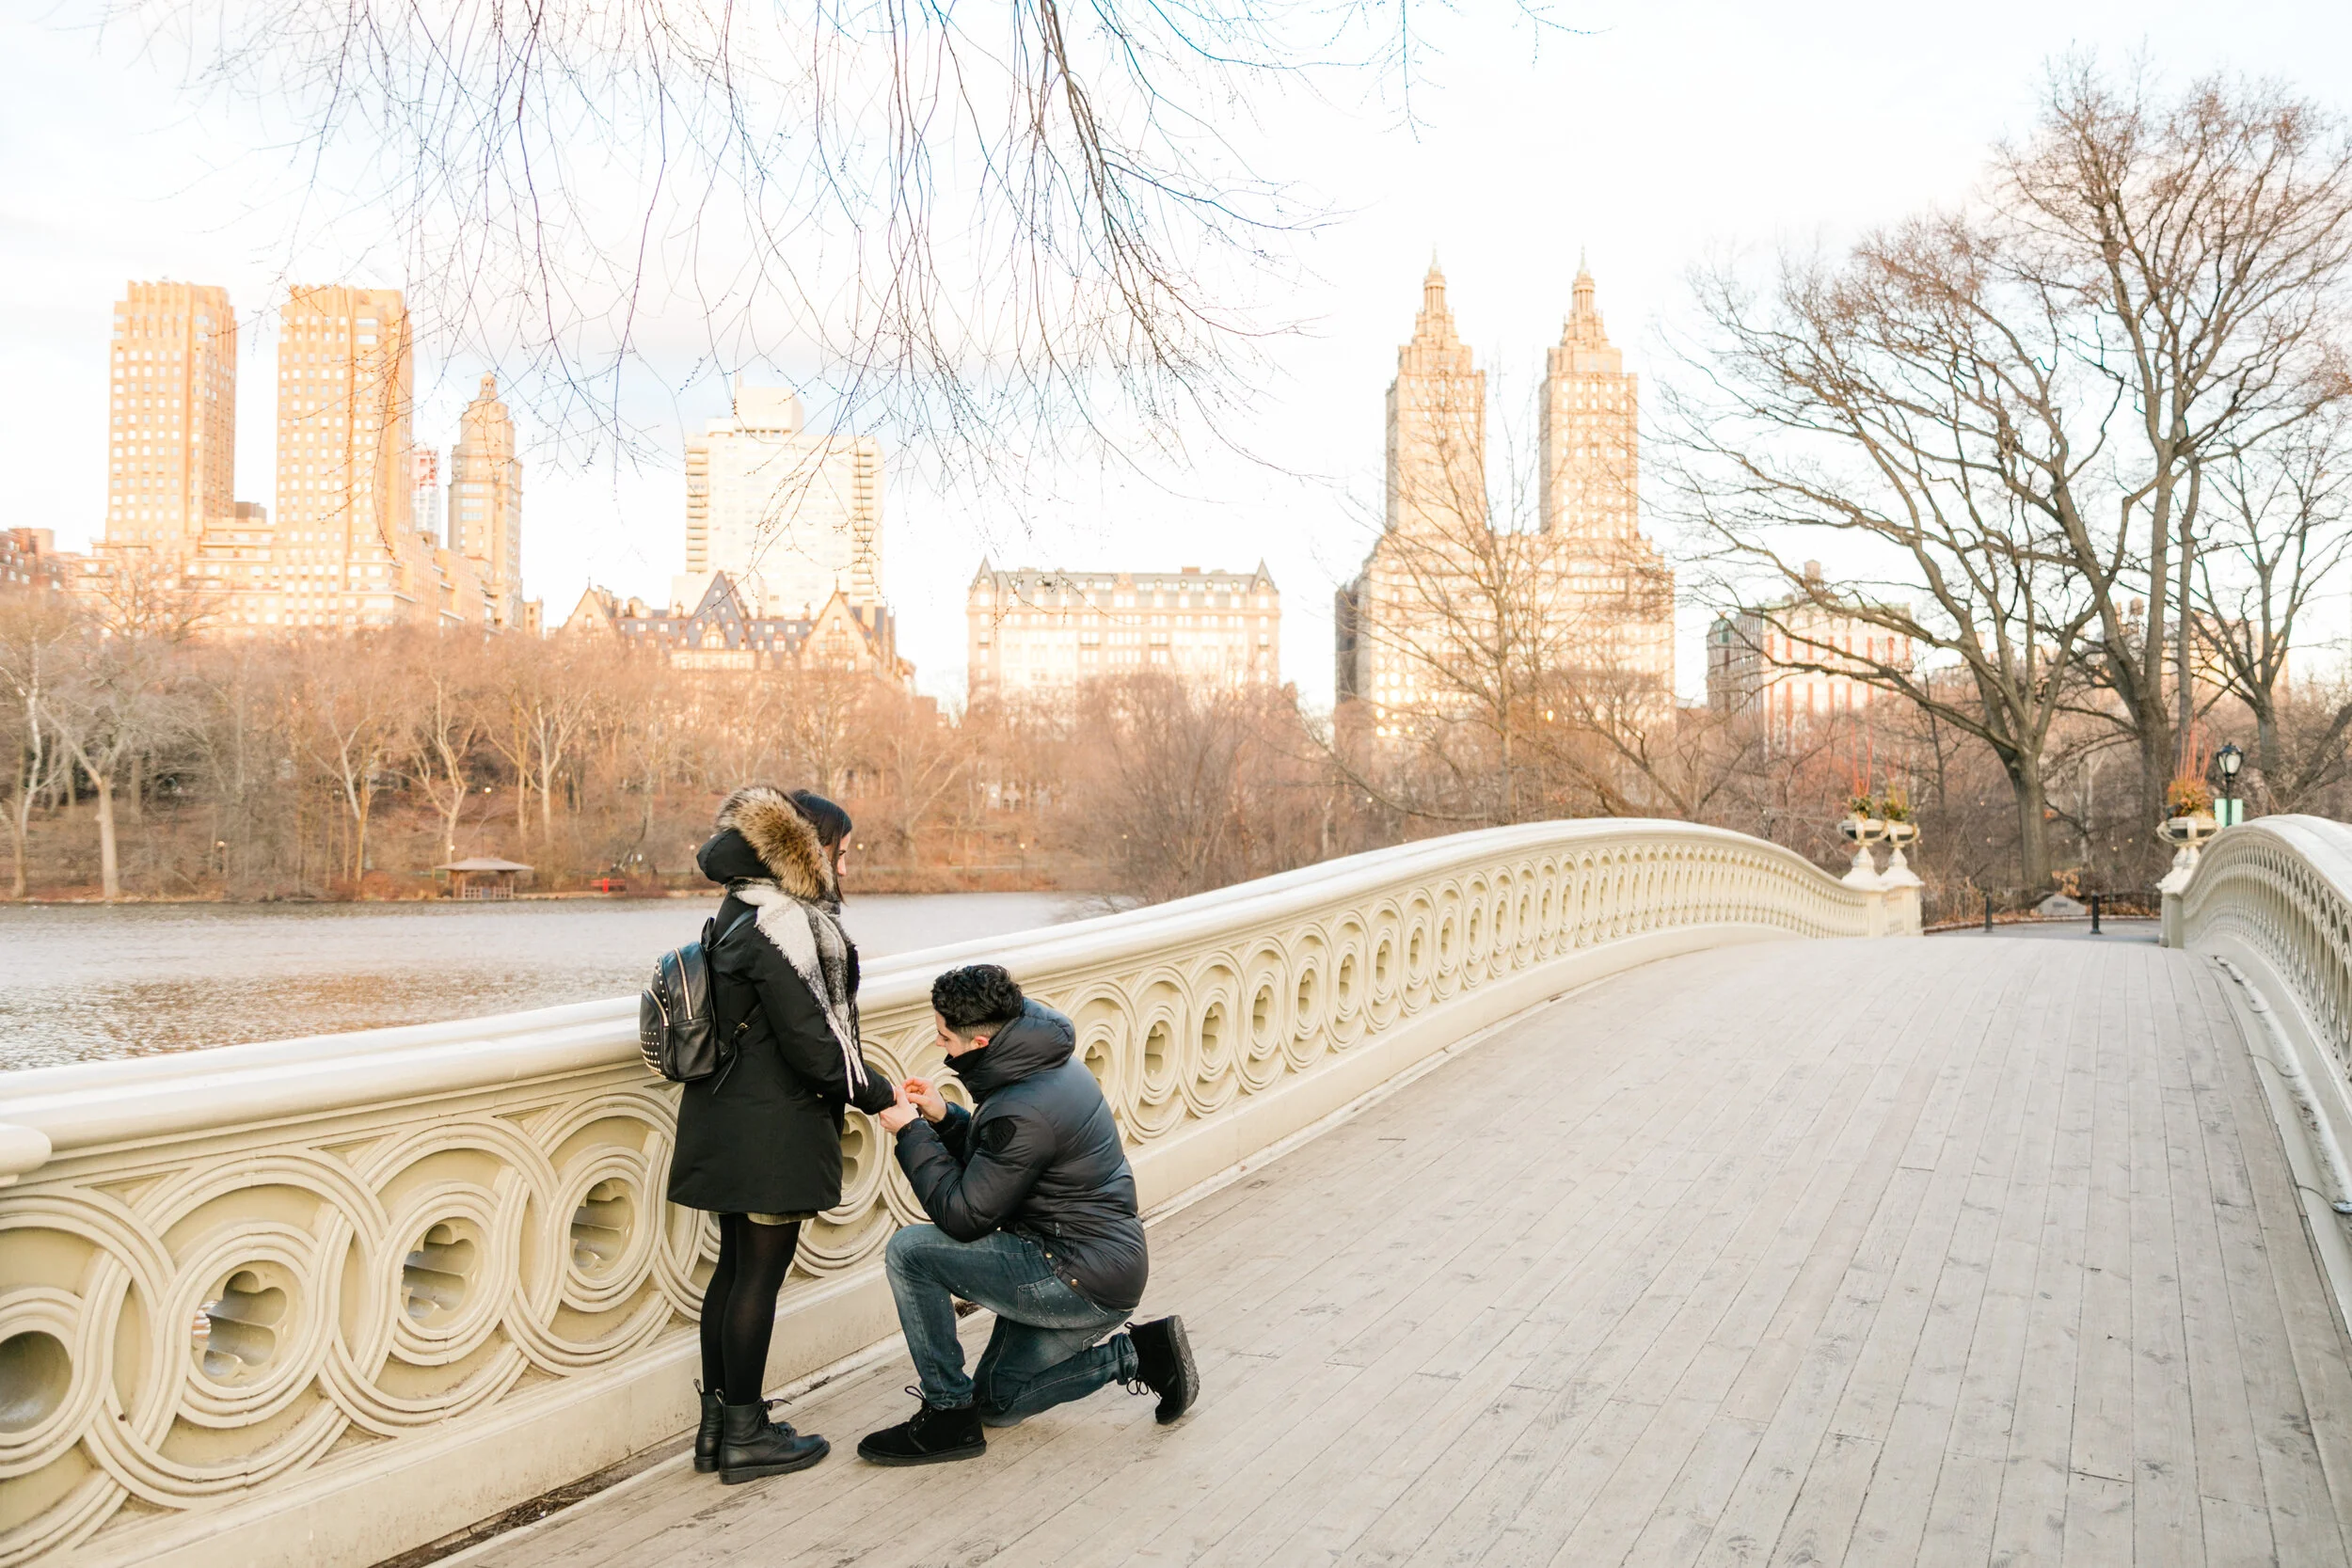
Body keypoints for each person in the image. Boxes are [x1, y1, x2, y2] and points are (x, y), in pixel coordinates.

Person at [858, 963, 1197, 1465]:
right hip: (1095, 1263)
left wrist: (911, 1133)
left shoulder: (1022, 1105)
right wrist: (944, 1117)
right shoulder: (1044, 1062)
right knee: (997, 1402)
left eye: (943, 1037)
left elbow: (966, 1214)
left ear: (978, 1044)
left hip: (1074, 1278)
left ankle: (948, 1415)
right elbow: (1004, 1160)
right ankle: (1139, 1355)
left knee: (910, 1253)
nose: (938, 1046)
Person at [667, 784, 902, 1483]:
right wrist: (880, 1094)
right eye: (841, 851)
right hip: (771, 1127)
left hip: (725, 1115)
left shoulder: (738, 908)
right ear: (810, 850)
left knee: (733, 1273)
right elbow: (813, 1044)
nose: (844, 864)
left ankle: (718, 1428)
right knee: (756, 1281)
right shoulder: (787, 924)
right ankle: (746, 1433)